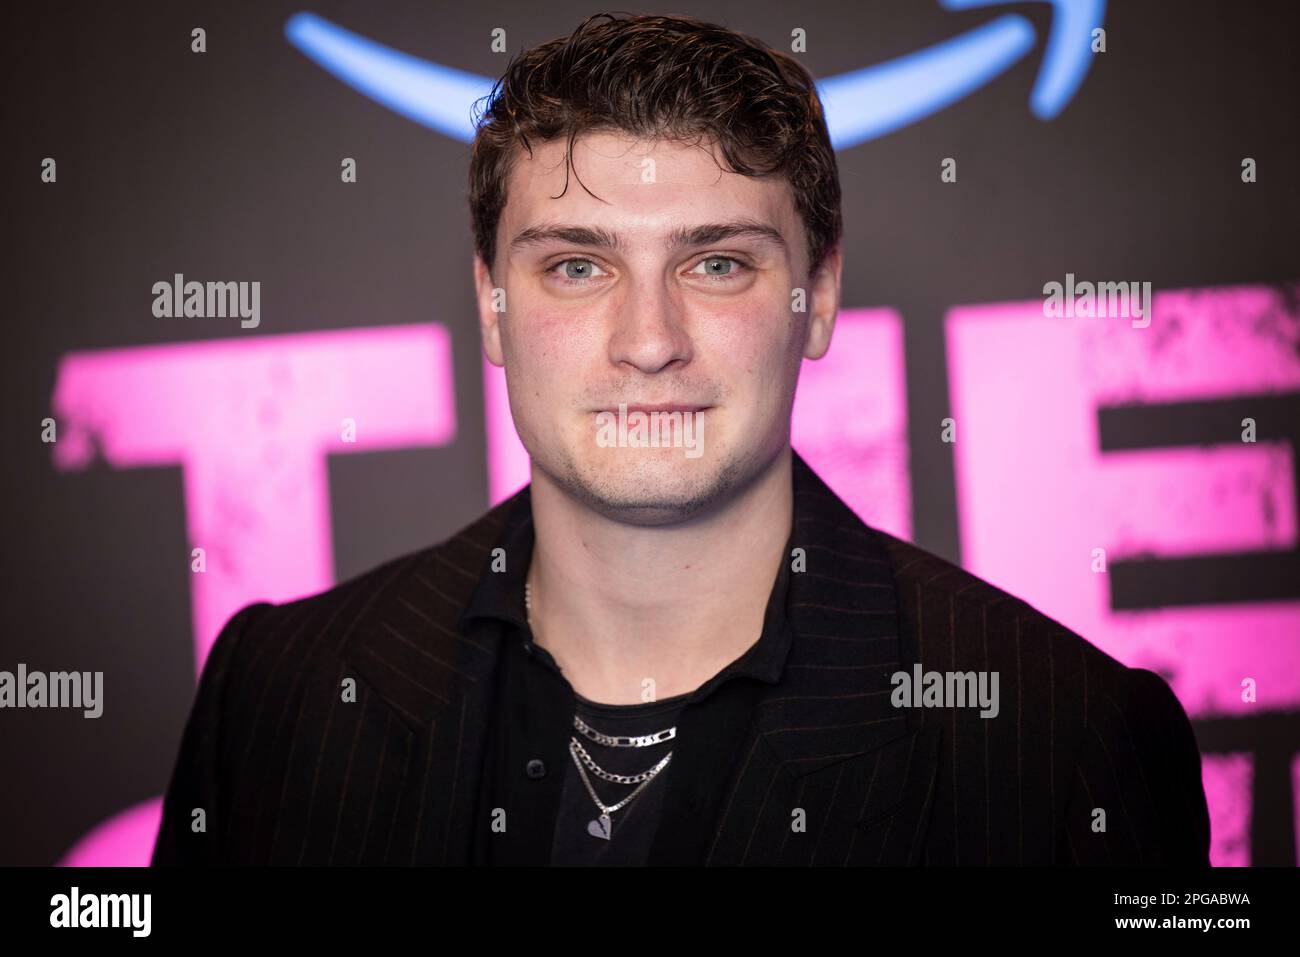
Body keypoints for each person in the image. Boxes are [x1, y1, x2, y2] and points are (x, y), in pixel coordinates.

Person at [152, 12, 1210, 866]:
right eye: (576, 265)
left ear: (820, 293)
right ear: (489, 306)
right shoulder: (277, 694)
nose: (647, 341)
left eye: (716, 263)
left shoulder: (1063, 739)